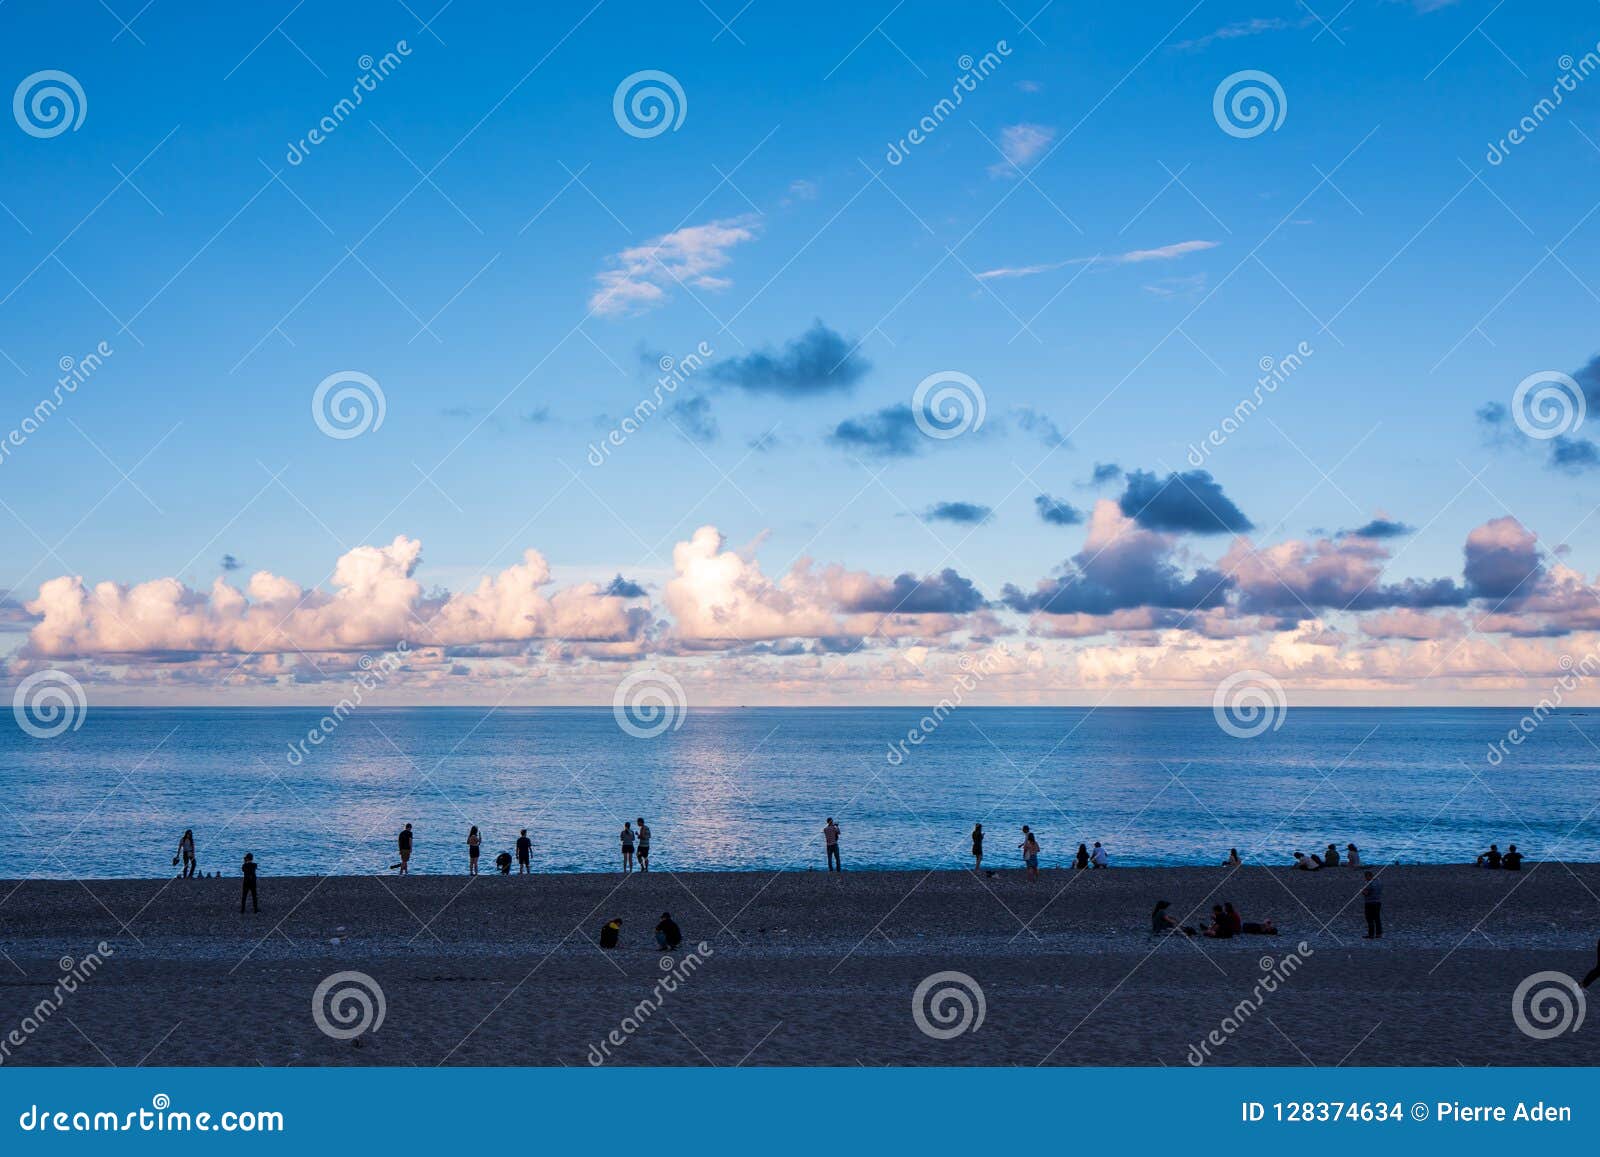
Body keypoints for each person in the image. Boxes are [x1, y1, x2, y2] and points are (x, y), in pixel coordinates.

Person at [1362, 870, 1383, 939]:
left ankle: (1371, 934)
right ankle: (1379, 934)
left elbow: (1366, 893)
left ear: (1369, 876)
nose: (1365, 878)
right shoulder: (1379, 882)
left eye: (1366, 877)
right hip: (1378, 902)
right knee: (1377, 918)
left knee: (1369, 919)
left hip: (1370, 903)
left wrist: (1363, 891)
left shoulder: (1370, 884)